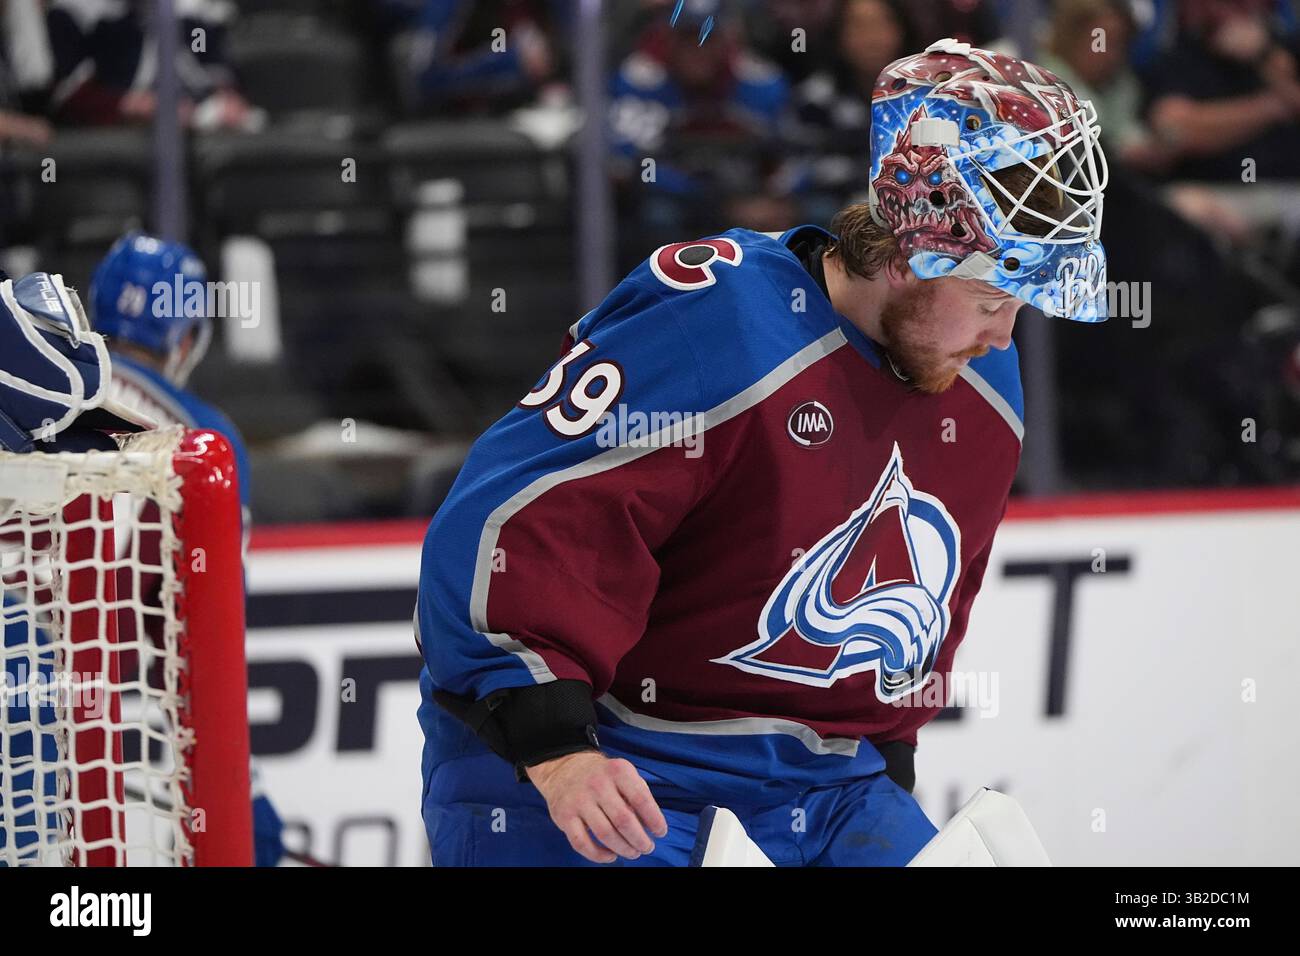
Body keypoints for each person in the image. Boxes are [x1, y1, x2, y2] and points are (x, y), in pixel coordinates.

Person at [416, 38, 1109, 866]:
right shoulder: (717, 319)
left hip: (822, 787)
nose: (1005, 333)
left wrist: (889, 765)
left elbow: (929, 611)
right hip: (615, 759)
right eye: (994, 294)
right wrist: (555, 749)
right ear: (907, 252)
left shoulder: (985, 384)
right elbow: (511, 522)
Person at [88, 233, 283, 867]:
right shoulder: (202, 440)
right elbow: (203, 639)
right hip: (78, 713)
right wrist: (243, 797)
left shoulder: (29, 399)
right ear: (186, 338)